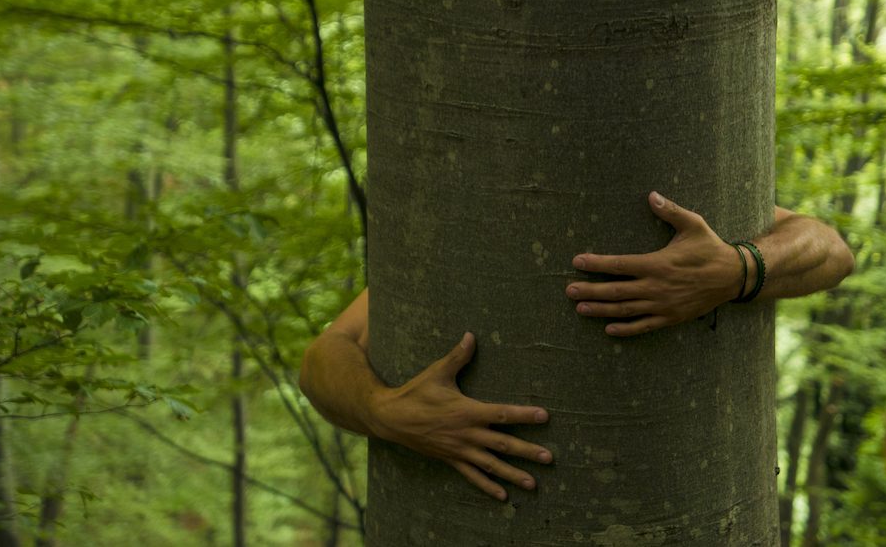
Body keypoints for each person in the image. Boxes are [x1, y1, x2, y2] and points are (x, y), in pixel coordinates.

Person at [299, 191, 854, 502]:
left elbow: (830, 248)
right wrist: (384, 412)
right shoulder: (459, 228)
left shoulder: (661, 193)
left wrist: (738, 269)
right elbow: (325, 355)